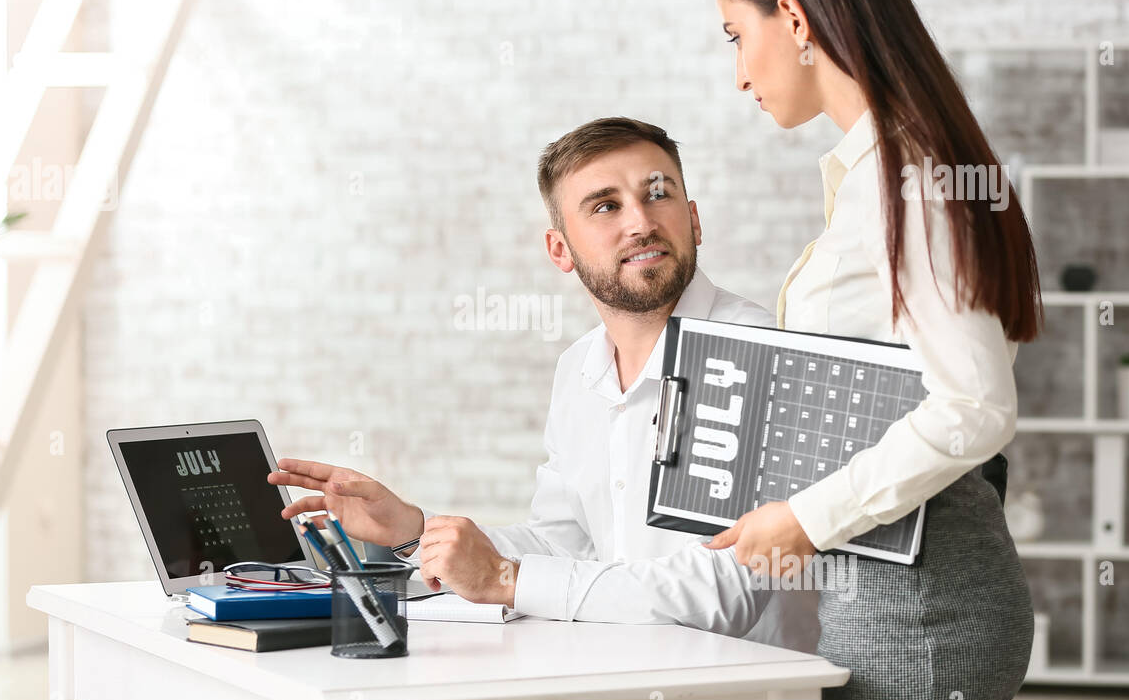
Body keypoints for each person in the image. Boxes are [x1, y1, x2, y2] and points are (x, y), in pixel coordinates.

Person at [270, 117, 819, 653]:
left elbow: (723, 594)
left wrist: (508, 579)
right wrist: (416, 532)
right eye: (606, 205)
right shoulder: (578, 367)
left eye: (658, 195)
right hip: (617, 676)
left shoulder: (752, 351)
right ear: (560, 250)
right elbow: (563, 544)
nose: (640, 222)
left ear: (694, 220)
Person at [705, 0, 1040, 700]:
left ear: (793, 17)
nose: (739, 73)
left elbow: (974, 407)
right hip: (886, 590)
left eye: (735, 37)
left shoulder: (910, 179)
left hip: (922, 605)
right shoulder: (881, 171)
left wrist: (805, 520)